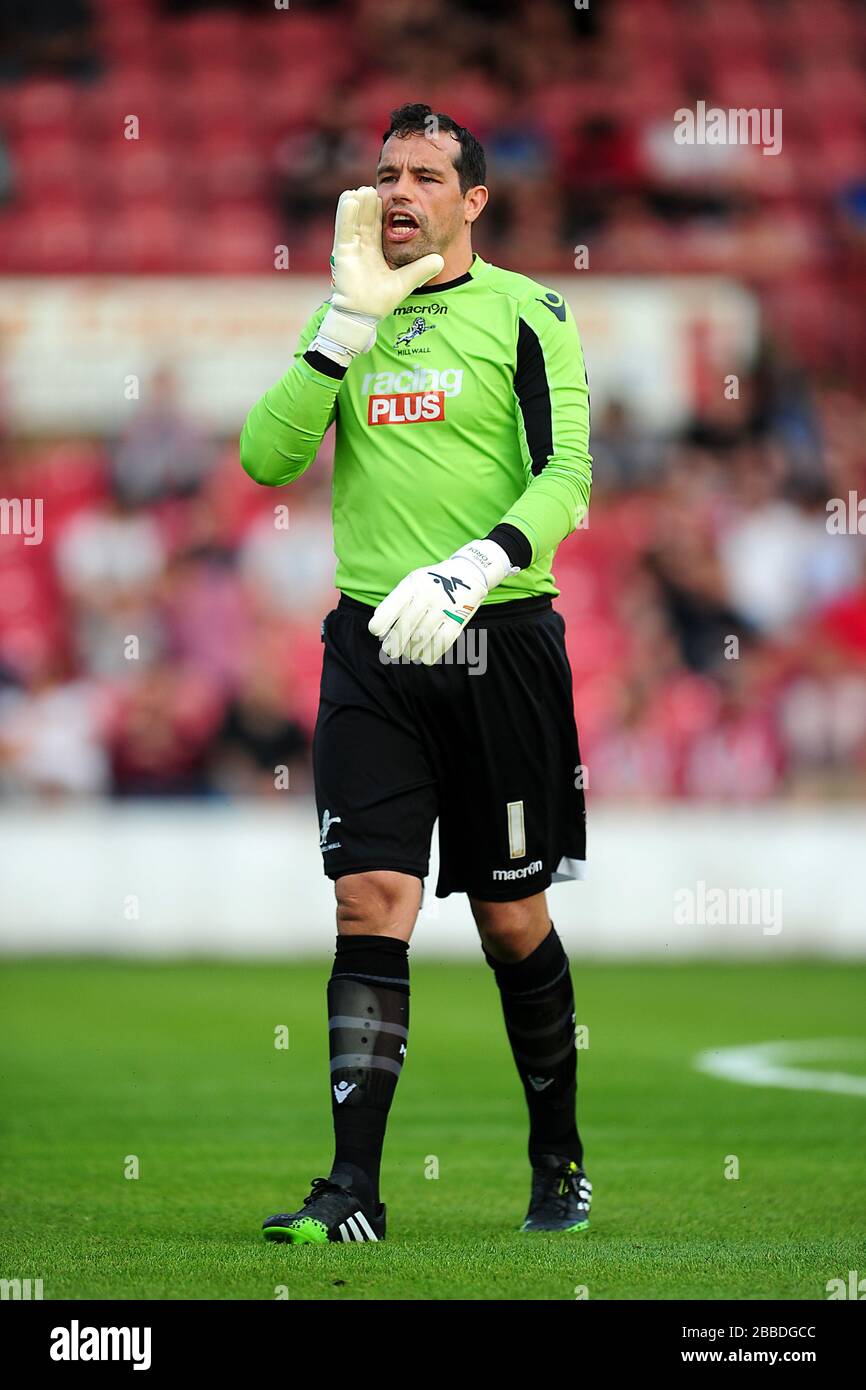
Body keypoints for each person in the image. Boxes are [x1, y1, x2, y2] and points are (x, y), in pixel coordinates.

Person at [240, 102, 593, 1244]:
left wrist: (475, 563)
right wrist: (343, 327)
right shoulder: (348, 314)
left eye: (426, 176)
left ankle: (558, 1157)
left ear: (472, 201)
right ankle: (351, 1192)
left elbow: (568, 475)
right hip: (374, 650)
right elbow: (265, 457)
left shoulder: (529, 312)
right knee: (367, 899)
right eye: (385, 172)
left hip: (498, 645)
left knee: (509, 919)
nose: (398, 192)